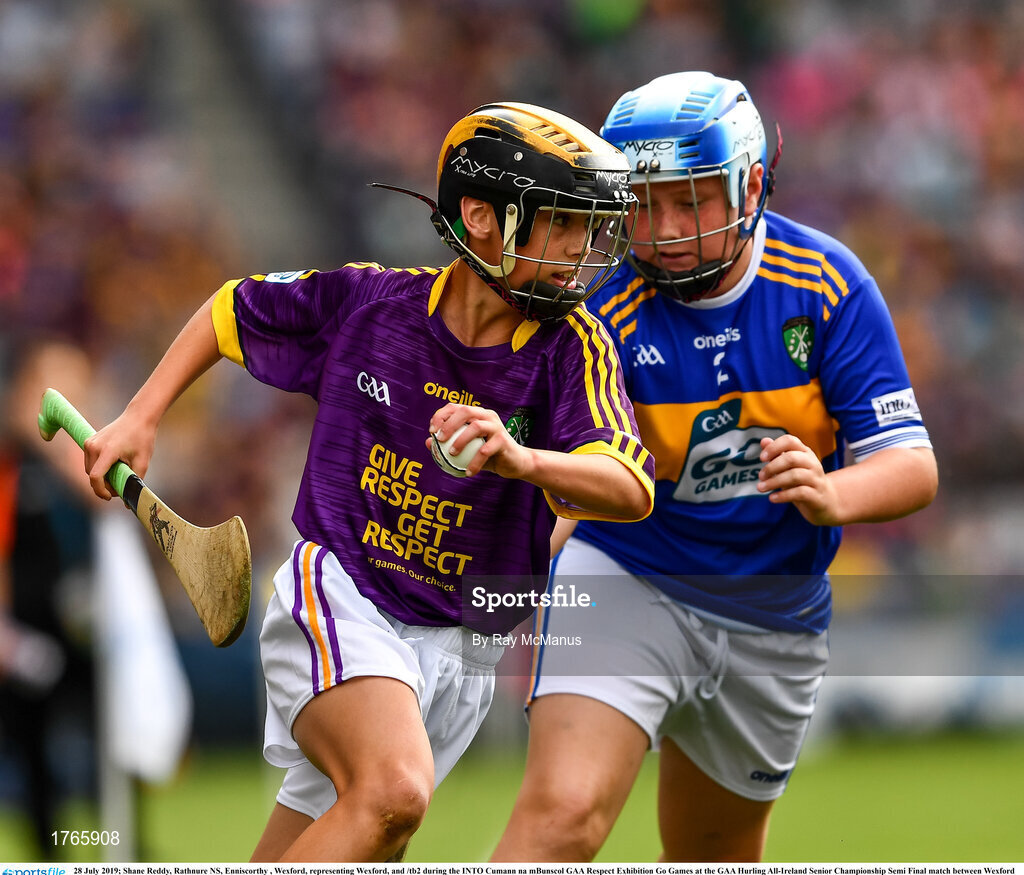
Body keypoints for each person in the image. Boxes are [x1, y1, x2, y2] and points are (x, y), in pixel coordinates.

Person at [81, 102, 655, 863]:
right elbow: (230, 310)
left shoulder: (576, 348)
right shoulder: (371, 303)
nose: (587, 248)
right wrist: (140, 417)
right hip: (344, 596)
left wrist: (528, 462)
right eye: (564, 222)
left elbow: (630, 484)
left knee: (361, 828)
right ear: (482, 217)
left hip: (461, 650)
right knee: (394, 791)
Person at [491, 71, 939, 863]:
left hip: (774, 605)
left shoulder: (827, 286)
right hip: (627, 574)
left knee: (715, 852)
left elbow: (910, 463)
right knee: (563, 814)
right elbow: (566, 476)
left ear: (751, 184)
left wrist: (833, 494)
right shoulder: (596, 304)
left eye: (689, 198)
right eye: (641, 200)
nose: (661, 228)